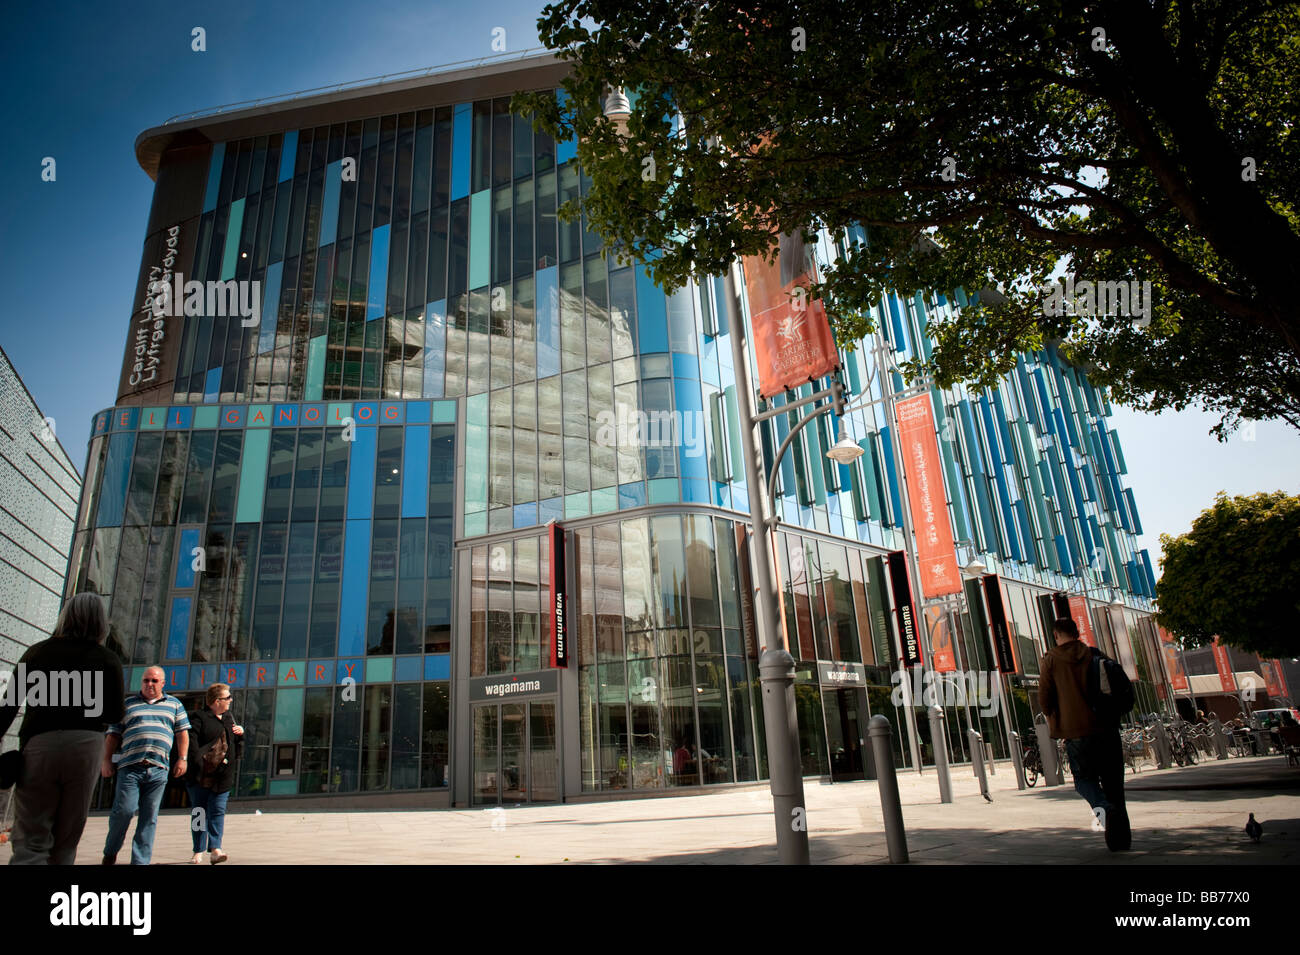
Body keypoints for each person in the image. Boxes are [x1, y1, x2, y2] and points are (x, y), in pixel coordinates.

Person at [0, 593, 125, 865]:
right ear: (101, 623)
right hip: (86, 745)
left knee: (31, 835)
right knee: (67, 837)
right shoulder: (107, 659)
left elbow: (8, 705)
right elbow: (116, 713)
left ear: (65, 617)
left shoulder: (37, 653)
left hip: (39, 744)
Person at [1038, 617, 1131, 851]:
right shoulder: (1093, 654)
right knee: (1114, 786)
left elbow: (1045, 699)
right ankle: (1120, 841)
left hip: (1076, 731)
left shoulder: (1051, 660)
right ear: (1077, 632)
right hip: (1106, 728)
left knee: (1083, 780)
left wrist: (1052, 716)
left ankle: (1103, 809)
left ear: (1056, 635)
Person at [100, 667, 190, 865]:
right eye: (146, 680)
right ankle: (110, 851)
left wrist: (182, 758)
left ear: (163, 683)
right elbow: (113, 734)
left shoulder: (174, 704)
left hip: (158, 769)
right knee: (124, 811)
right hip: (130, 767)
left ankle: (140, 861)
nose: (150, 684)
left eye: (154, 681)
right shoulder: (127, 704)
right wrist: (106, 760)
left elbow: (182, 734)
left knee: (149, 817)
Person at [185, 683, 244, 864]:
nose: (230, 700)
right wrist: (197, 765)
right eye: (227, 698)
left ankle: (216, 848)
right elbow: (193, 746)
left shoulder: (229, 718)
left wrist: (240, 734)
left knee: (217, 811)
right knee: (199, 812)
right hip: (201, 775)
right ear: (217, 701)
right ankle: (198, 849)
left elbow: (235, 744)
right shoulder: (199, 718)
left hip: (222, 774)